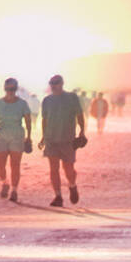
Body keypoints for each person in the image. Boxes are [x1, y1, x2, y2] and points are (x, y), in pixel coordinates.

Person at [39, 74, 86, 207]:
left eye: (56, 83)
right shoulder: (47, 100)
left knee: (68, 168)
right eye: (51, 83)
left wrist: (82, 131)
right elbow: (44, 119)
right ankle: (58, 196)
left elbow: (79, 115)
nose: (53, 86)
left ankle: (72, 185)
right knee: (53, 169)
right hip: (51, 139)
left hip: (67, 139)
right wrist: (43, 136)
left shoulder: (72, 98)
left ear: (62, 84)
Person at [0, 77, 32, 202]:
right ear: (4, 89)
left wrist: (29, 136)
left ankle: (14, 190)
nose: (10, 91)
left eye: (12, 89)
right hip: (0, 136)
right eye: (8, 89)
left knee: (15, 165)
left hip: (17, 136)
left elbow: (28, 120)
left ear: (16, 89)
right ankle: (5, 182)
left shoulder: (22, 104)